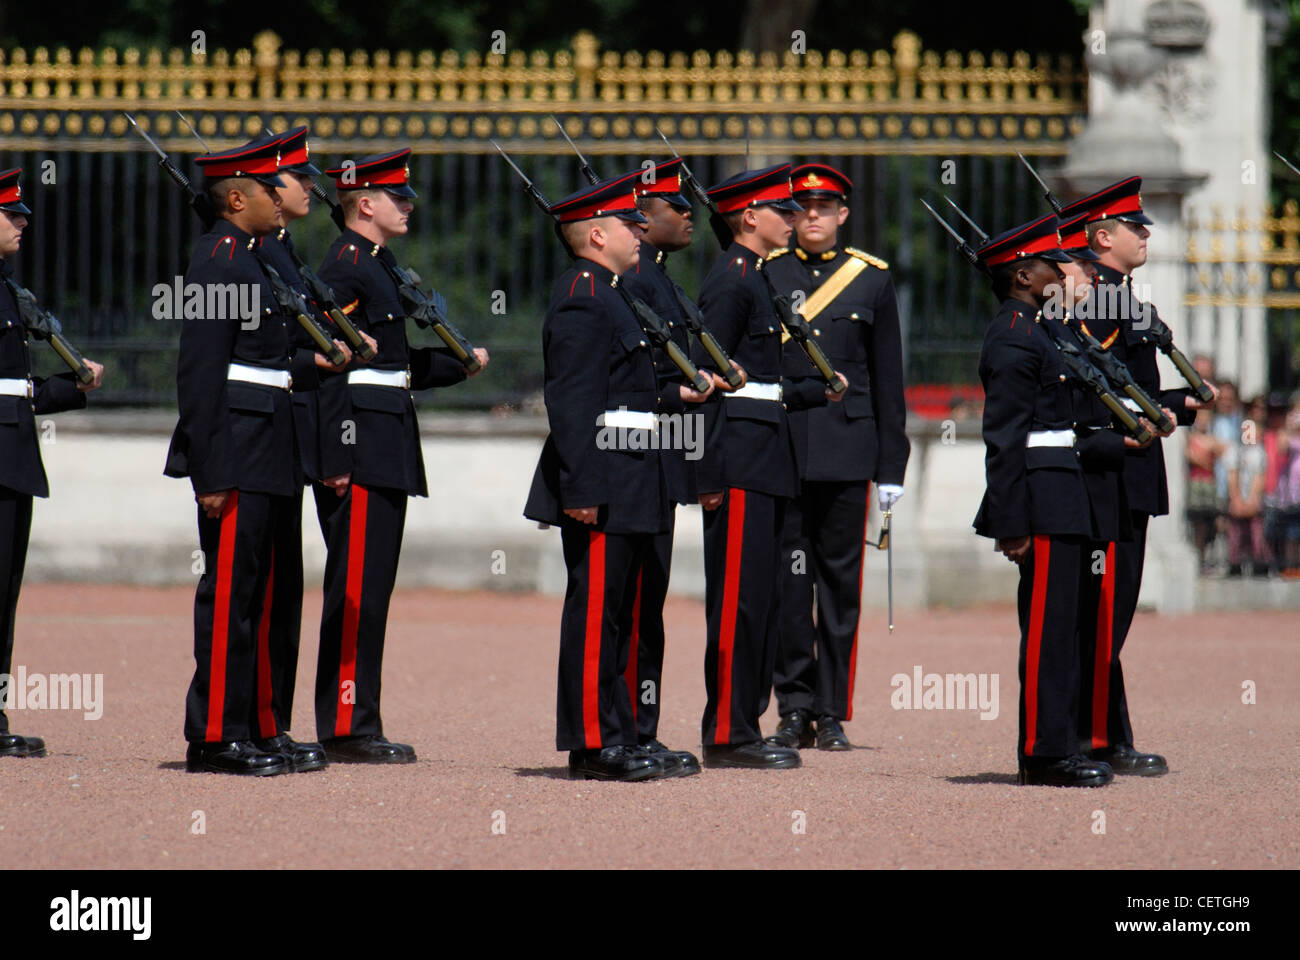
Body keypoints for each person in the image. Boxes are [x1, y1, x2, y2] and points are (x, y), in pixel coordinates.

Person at [315, 149, 488, 763]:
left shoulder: (378, 265)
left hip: (385, 438)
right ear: (365, 204)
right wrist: (336, 449)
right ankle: (345, 723)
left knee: (373, 587)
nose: (408, 205)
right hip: (360, 443)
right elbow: (330, 362)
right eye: (398, 197)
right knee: (355, 588)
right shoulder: (345, 265)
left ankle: (361, 717)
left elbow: (391, 365)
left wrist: (457, 365)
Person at [164, 138, 319, 776]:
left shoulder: (258, 260)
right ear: (236, 198)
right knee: (231, 595)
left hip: (273, 443)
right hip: (238, 448)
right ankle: (215, 734)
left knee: (272, 596)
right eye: (269, 189)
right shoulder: (219, 262)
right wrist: (213, 469)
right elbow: (200, 376)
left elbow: (272, 364)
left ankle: (261, 725)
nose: (282, 200)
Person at [1057, 177, 1216, 775]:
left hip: (1130, 468)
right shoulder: (1098, 300)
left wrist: (1181, 399)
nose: (1146, 233)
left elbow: (1131, 388)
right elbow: (1091, 389)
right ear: (1102, 237)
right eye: (1134, 226)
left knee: (1111, 611)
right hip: (1111, 470)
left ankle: (1107, 731)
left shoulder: (1118, 294)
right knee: (1104, 610)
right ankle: (1095, 737)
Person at [522, 171, 674, 781]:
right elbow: (573, 401)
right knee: (596, 614)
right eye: (625, 224)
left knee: (620, 613)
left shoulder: (611, 290)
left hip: (633, 470)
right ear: (593, 234)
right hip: (604, 476)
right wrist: (581, 486)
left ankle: (621, 734)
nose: (639, 232)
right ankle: (591, 743)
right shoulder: (584, 294)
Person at [691, 163, 844, 770]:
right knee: (739, 601)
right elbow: (706, 383)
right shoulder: (731, 281)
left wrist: (812, 391)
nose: (795, 218)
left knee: (764, 598)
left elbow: (760, 383)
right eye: (783, 210)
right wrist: (704, 474)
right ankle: (728, 732)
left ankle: (743, 726)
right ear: (749, 217)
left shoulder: (756, 276)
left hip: (764, 457)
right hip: (736, 462)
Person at [972, 213, 1127, 788]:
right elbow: (1004, 439)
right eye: (1049, 263)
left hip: (1061, 490)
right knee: (1045, 629)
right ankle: (1043, 752)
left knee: (1063, 626)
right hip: (1039, 497)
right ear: (1021, 275)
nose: (1061, 271)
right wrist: (1009, 524)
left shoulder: (1038, 327)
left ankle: (1058, 741)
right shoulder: (1014, 332)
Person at [764, 163, 909, 751]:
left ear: (843, 214)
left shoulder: (871, 280)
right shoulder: (767, 275)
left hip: (850, 453)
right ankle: (793, 706)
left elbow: (889, 381)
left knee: (839, 588)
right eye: (802, 208)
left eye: (824, 208)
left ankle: (831, 711)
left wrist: (891, 470)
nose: (813, 217)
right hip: (785, 448)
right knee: (789, 587)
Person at [249, 126, 372, 772]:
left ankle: (271, 723)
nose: (310, 188)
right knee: (256, 590)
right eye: (300, 179)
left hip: (286, 440)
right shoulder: (248, 255)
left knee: (282, 589)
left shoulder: (286, 254)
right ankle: (241, 725)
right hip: (265, 438)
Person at [614, 156, 717, 776]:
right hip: (638, 451)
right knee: (627, 606)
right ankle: (624, 729)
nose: (688, 216)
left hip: (662, 453)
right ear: (643, 220)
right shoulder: (636, 282)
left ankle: (639, 727)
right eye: (676, 207)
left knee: (646, 606)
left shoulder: (664, 281)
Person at [0, 167, 104, 758]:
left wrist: (72, 386)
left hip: (13, 453)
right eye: (10, 214)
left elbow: (18, 388)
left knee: (4, 592)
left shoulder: (10, 287)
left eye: (23, 214)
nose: (21, 223)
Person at [1223, 396, 1272, 577]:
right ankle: (1234, 564)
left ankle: (1260, 563)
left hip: (1253, 500)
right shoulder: (1234, 450)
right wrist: (1236, 500)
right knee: (1235, 534)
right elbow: (1232, 475)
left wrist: (1251, 500)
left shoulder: (1259, 453)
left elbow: (1260, 477)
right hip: (1238, 500)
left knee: (1256, 534)